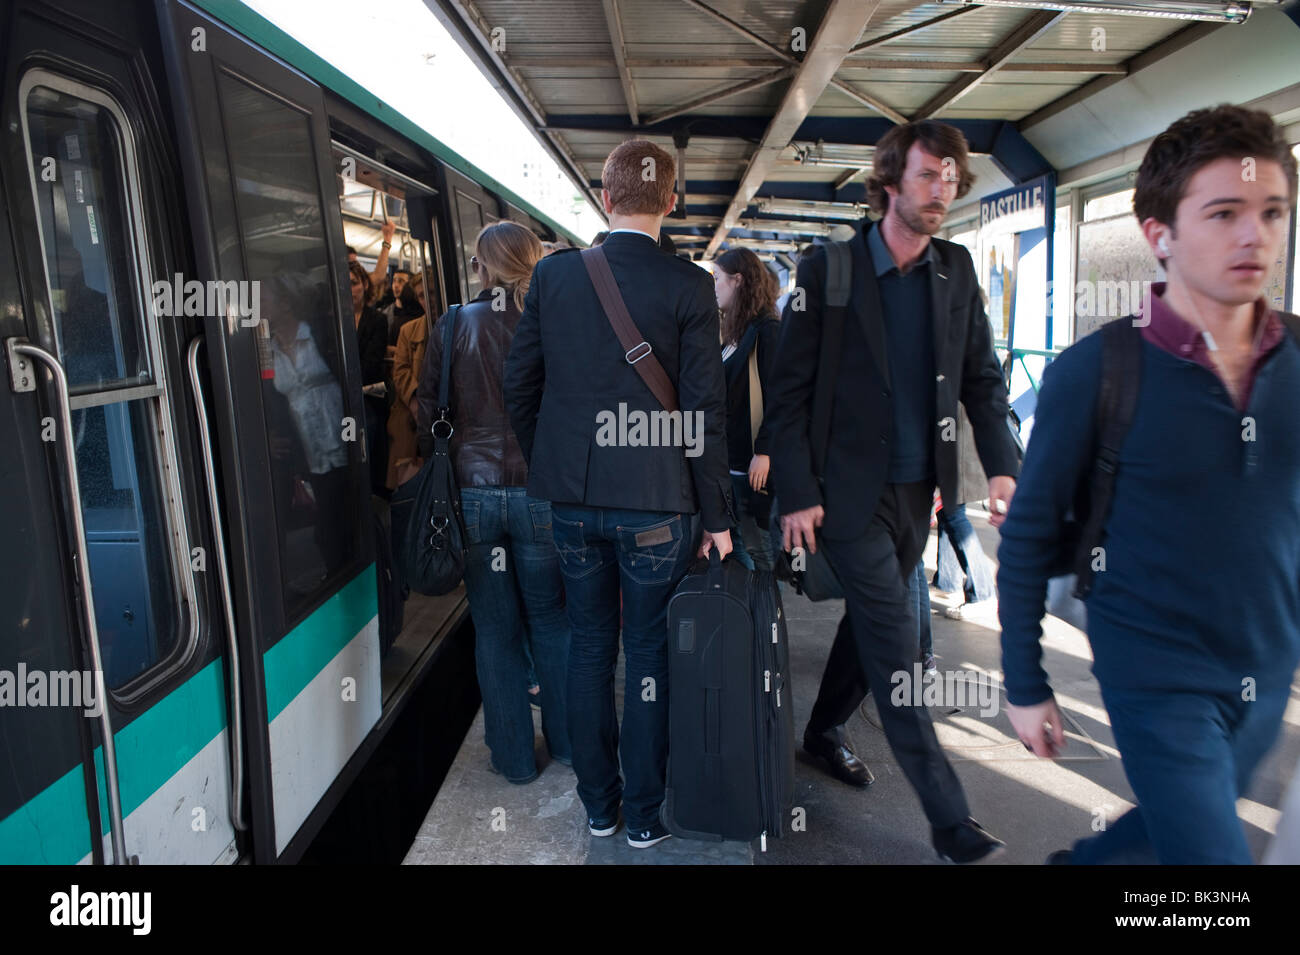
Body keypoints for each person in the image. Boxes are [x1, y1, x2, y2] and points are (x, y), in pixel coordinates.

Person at [999, 104, 1300, 865]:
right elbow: (1029, 533)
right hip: (1152, 669)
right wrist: (1024, 681)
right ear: (1159, 233)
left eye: (1272, 212)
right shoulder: (1098, 371)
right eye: (1225, 212)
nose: (1254, 234)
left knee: (1175, 834)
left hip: (1264, 667)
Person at [767, 120, 1021, 863]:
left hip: (921, 499)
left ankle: (821, 730)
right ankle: (951, 822)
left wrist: (1003, 464)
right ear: (887, 184)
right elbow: (788, 393)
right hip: (847, 499)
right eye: (927, 176)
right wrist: (799, 491)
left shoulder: (956, 269)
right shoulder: (831, 271)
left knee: (870, 628)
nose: (942, 189)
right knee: (902, 647)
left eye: (951, 177)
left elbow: (982, 375)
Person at [504, 139, 732, 849]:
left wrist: (555, 458)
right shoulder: (690, 286)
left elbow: (520, 384)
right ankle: (641, 815)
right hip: (658, 504)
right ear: (670, 201)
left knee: (586, 646)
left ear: (605, 199)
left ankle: (597, 806)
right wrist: (717, 518)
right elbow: (702, 412)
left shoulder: (555, 278)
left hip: (570, 502)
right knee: (649, 654)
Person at [416, 220, 571, 783]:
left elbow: (425, 409)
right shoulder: (553, 322)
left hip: (474, 495)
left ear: (481, 265)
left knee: (495, 630)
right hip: (540, 494)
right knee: (553, 622)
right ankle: (571, 743)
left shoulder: (454, 322)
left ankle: (513, 759)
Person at [713, 246, 780, 572]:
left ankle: (768, 619)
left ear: (737, 281)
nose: (714, 287)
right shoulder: (736, 332)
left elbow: (781, 396)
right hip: (734, 461)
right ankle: (750, 618)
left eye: (718, 279)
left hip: (754, 465)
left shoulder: (767, 330)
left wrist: (764, 451)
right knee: (742, 547)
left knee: (760, 554)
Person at [348, 261, 389, 498]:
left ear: (364, 285)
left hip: (368, 396)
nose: (350, 289)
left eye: (354, 283)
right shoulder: (333, 321)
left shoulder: (376, 320)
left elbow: (371, 363)